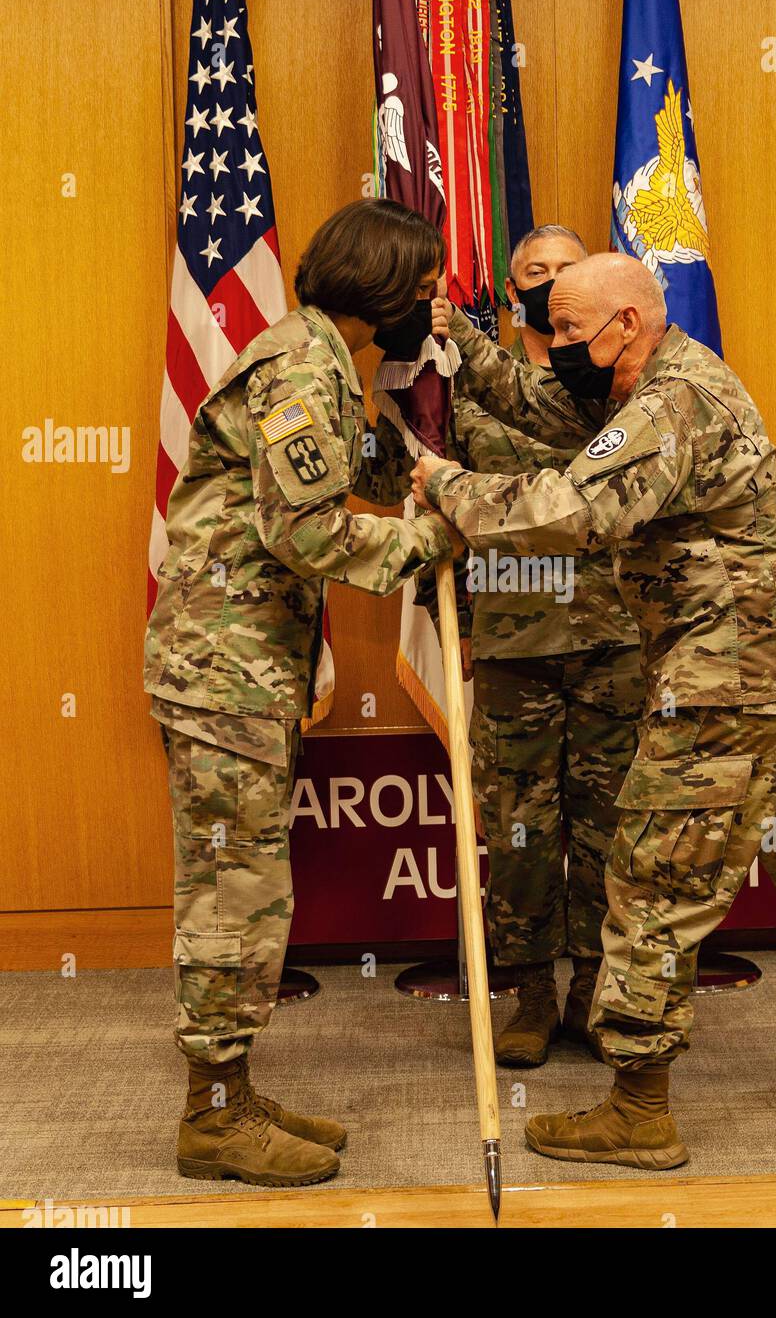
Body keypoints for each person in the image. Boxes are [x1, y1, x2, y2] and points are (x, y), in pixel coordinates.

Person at [412, 251, 776, 1171]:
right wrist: (463, 346)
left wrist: (447, 487)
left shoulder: (674, 403)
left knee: (650, 877)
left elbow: (570, 511)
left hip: (725, 686)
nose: (555, 347)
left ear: (624, 326)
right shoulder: (648, 385)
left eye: (567, 330)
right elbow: (544, 408)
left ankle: (639, 1107)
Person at [145, 198, 463, 1188]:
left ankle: (231, 1093)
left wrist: (420, 461)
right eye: (421, 289)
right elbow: (306, 532)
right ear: (378, 291)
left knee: (247, 881)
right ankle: (212, 1116)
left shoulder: (324, 357)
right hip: (224, 667)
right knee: (235, 890)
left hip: (245, 665)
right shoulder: (296, 365)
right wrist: (425, 541)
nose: (430, 304)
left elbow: (343, 468)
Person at [420, 226, 644, 1067]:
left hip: (612, 635)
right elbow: (418, 481)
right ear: (516, 296)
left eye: (564, 270)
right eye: (532, 274)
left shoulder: (617, 385)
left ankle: (593, 985)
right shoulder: (472, 394)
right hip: (515, 638)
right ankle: (530, 993)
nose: (548, 282)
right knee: (518, 827)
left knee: (606, 824)